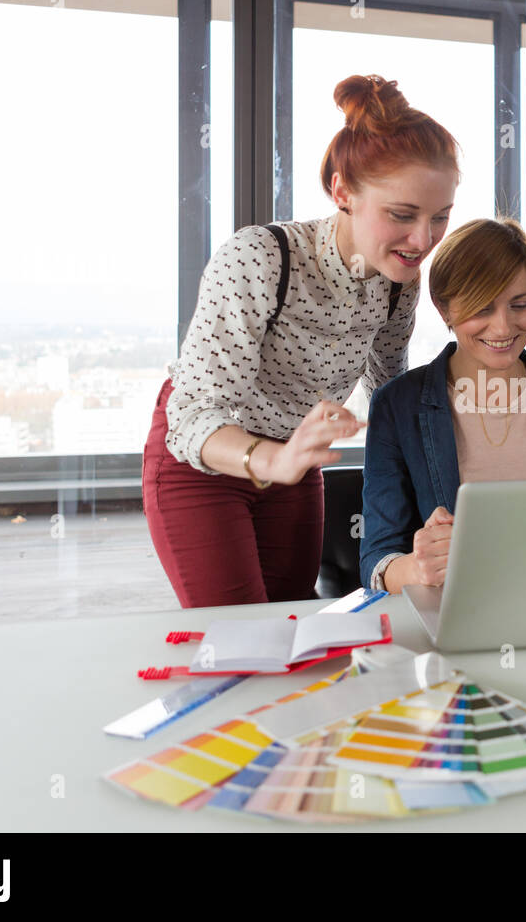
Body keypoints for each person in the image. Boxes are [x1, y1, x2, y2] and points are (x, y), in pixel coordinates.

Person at [143, 75, 461, 608]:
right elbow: (192, 416)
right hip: (205, 462)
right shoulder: (262, 258)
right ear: (343, 192)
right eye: (402, 216)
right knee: (239, 630)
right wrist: (274, 461)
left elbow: (392, 393)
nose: (423, 241)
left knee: (293, 626)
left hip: (294, 464)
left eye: (440, 218)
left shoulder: (395, 284)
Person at [360, 217, 526, 592]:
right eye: (481, 309)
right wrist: (416, 567)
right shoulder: (398, 406)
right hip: (455, 608)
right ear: (444, 310)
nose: (503, 328)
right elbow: (377, 559)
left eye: (519, 305)